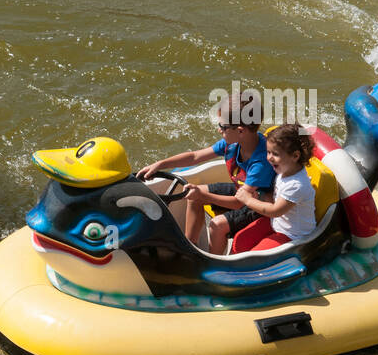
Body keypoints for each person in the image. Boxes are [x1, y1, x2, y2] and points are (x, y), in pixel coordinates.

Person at [135, 89, 275, 254]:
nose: (219, 130)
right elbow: (195, 156)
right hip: (241, 191)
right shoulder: (234, 144)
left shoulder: (260, 162)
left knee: (217, 225)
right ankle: (190, 249)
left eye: (222, 126)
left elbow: (239, 202)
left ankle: (212, 263)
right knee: (195, 195)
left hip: (259, 205)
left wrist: (202, 195)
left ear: (240, 131)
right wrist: (160, 164)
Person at [230, 124, 317, 253]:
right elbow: (275, 198)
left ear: (295, 156)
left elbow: (275, 211)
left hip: (293, 236)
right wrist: (259, 196)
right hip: (277, 224)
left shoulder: (296, 185)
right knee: (241, 240)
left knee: (255, 256)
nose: (269, 158)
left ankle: (246, 269)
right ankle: (234, 264)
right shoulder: (285, 170)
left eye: (275, 154)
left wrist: (248, 200)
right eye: (268, 152)